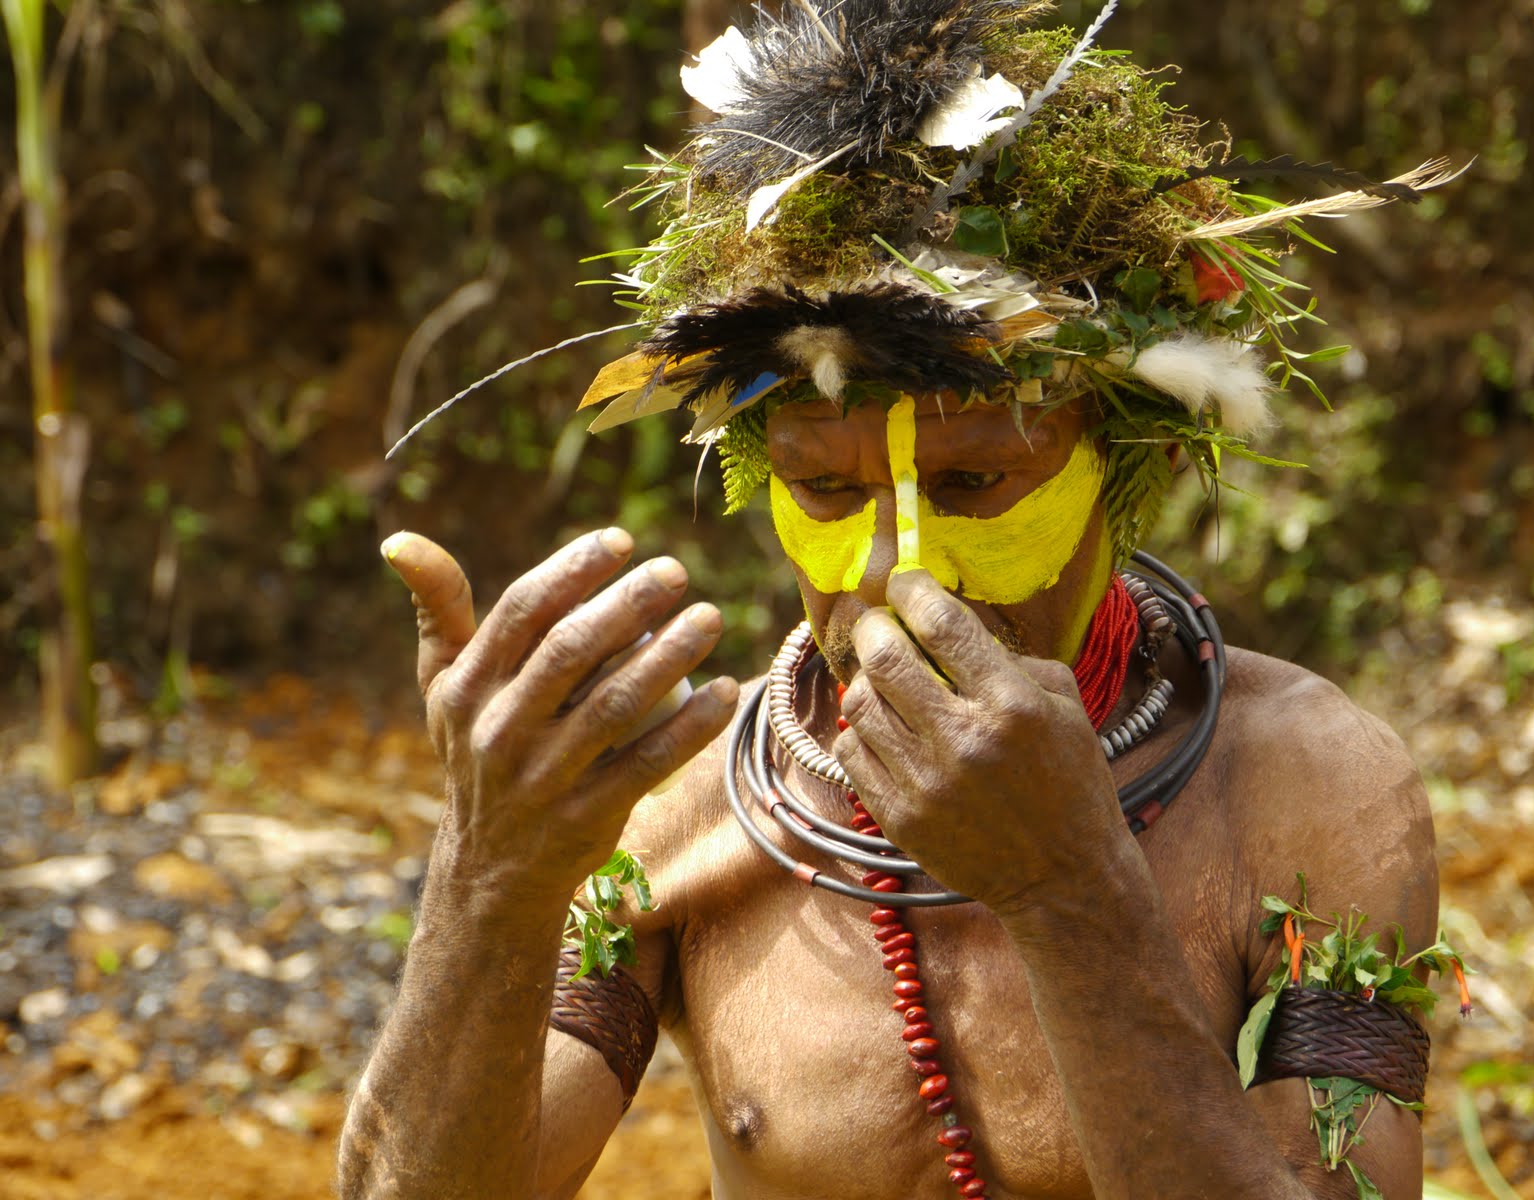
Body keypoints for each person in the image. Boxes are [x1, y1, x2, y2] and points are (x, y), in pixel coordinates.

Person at [341, 3, 1461, 1196]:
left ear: (1138, 470)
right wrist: (489, 875)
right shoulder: (677, 809)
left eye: (977, 481)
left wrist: (1068, 892)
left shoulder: (1307, 790)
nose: (894, 573)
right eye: (823, 489)